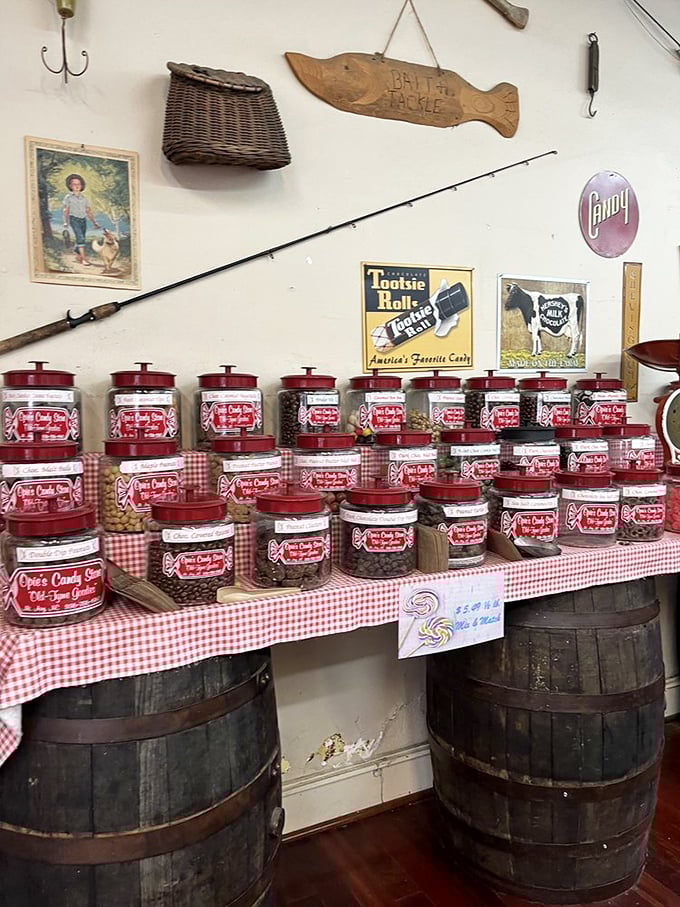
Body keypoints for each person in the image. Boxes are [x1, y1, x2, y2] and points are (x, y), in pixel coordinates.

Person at [62, 173, 100, 266]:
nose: (77, 186)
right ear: (70, 186)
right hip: (74, 219)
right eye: (74, 184)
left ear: (82, 185)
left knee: (82, 237)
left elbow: (88, 211)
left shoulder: (84, 198)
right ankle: (84, 259)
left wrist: (94, 222)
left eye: (78, 184)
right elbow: (66, 210)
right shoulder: (68, 197)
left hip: (83, 220)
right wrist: (65, 222)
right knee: (80, 238)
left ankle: (76, 250)